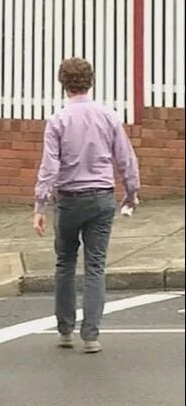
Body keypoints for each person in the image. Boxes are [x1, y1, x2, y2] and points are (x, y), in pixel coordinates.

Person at [33, 57, 140, 354]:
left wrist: (40, 206)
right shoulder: (108, 116)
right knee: (95, 266)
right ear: (90, 82)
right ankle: (91, 334)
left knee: (65, 263)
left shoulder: (58, 120)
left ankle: (65, 330)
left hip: (69, 198)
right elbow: (125, 158)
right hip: (102, 196)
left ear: (63, 84)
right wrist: (131, 192)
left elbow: (50, 167)